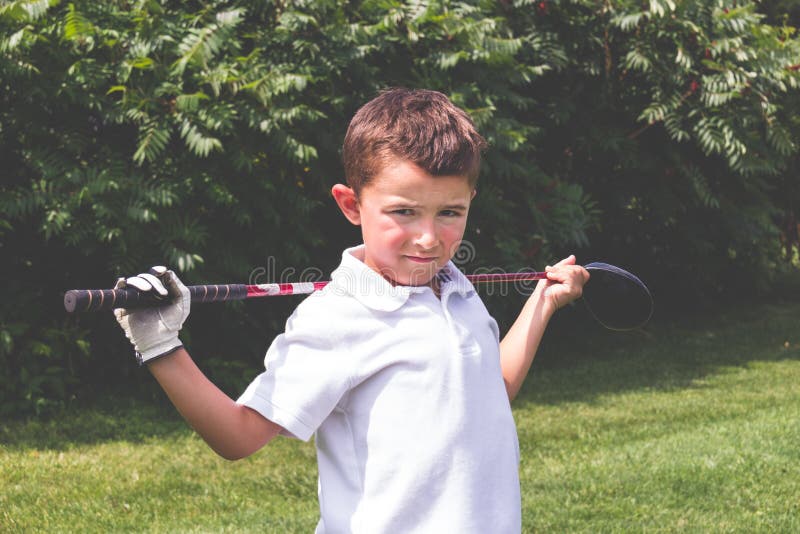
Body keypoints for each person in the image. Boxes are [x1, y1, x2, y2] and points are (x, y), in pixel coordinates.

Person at [114, 88, 589, 533]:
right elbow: (238, 437)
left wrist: (542, 302)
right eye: (403, 212)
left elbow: (489, 390)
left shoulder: (457, 290)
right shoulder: (337, 319)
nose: (428, 237)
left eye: (449, 212)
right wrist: (159, 344)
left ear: (470, 203)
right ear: (351, 204)